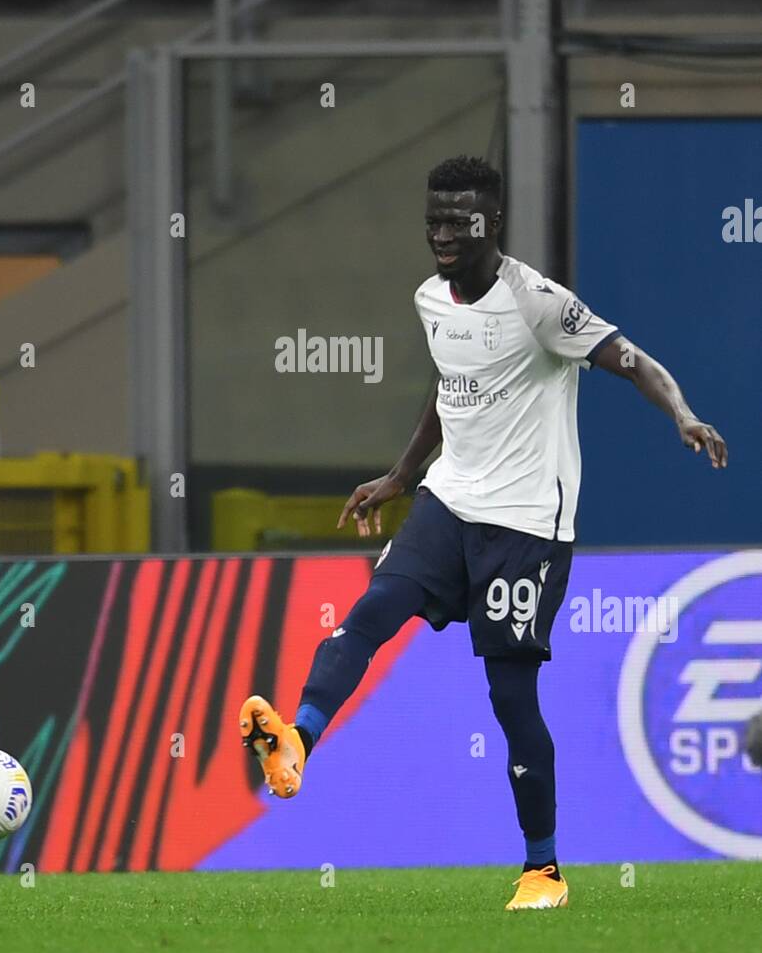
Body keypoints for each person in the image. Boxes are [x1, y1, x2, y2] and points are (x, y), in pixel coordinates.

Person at [238, 155, 727, 910]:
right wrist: (402, 476)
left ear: (490, 223)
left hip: (527, 525)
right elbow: (450, 387)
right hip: (449, 501)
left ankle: (543, 873)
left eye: (458, 218)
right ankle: (297, 739)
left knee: (509, 698)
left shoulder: (538, 303)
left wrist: (684, 414)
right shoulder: (432, 299)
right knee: (370, 616)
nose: (442, 231)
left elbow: (631, 361)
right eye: (433, 217)